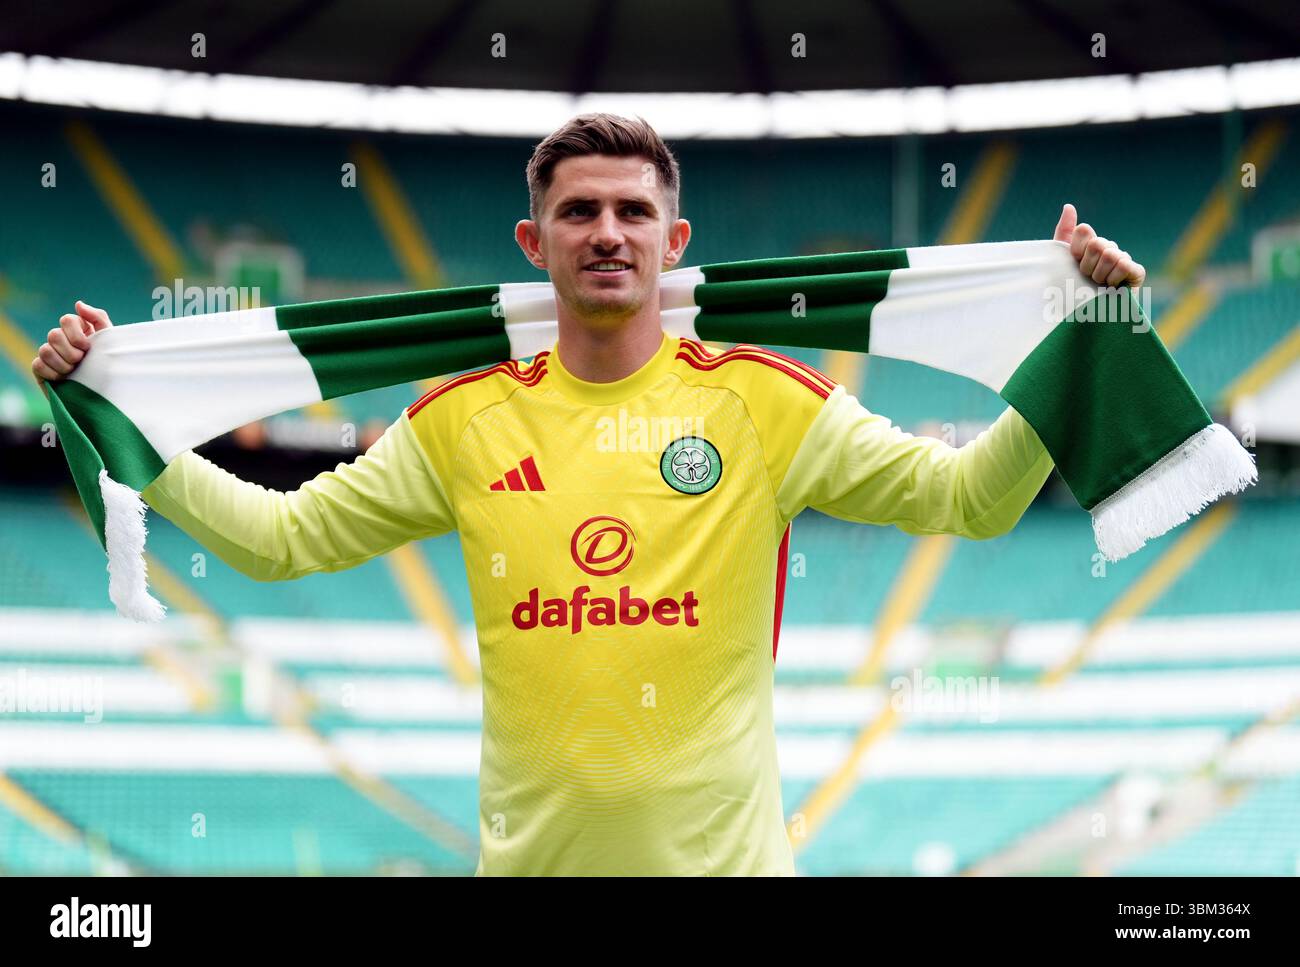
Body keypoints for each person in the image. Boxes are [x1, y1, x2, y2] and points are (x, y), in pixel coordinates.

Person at [32, 113, 1145, 875]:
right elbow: (281, 540)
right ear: (535, 240)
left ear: (673, 241)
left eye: (629, 211)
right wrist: (127, 435)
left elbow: (972, 499)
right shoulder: (465, 420)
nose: (606, 232)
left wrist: (1075, 348)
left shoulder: (762, 401)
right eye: (577, 212)